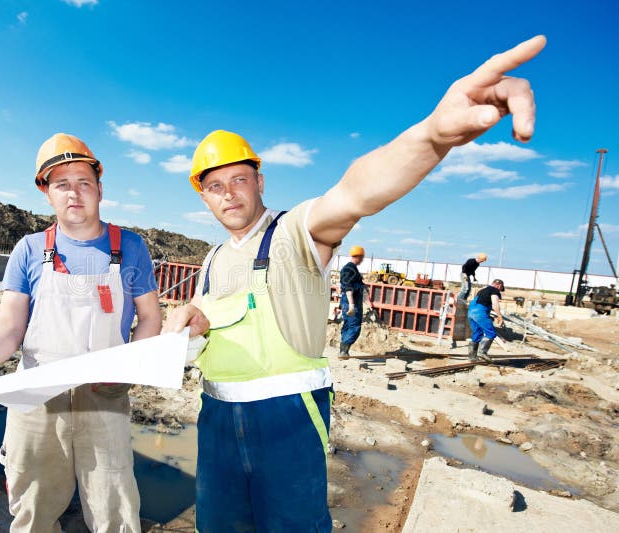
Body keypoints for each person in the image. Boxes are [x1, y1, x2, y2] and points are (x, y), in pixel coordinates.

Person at [163, 36, 545, 532]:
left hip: (286, 427)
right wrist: (192, 320)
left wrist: (432, 135)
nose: (228, 193)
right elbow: (207, 325)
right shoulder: (212, 260)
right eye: (214, 186)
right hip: (215, 426)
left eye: (238, 179)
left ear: (260, 181)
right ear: (204, 198)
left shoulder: (294, 233)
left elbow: (355, 192)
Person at [0, 133, 161, 533]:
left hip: (103, 396)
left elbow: (150, 318)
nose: (74, 194)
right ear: (47, 193)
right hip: (35, 398)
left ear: (100, 189)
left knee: (115, 513)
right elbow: (10, 326)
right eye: (61, 184)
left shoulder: (130, 247)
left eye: (83, 182)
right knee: (32, 512)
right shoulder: (30, 249)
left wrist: (127, 370)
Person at [467, 278, 505, 362]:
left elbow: (480, 301)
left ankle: (472, 357)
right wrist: (500, 317)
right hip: (480, 312)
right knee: (491, 333)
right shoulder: (495, 290)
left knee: (477, 333)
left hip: (471, 312)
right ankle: (482, 352)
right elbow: (495, 304)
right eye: (501, 288)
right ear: (499, 285)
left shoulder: (482, 290)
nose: (500, 290)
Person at [339, 245, 366, 359]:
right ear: (359, 256)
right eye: (362, 257)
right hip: (351, 302)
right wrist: (351, 305)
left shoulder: (351, 268)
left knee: (348, 324)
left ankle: (343, 351)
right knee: (354, 326)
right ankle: (344, 351)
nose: (362, 259)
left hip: (349, 301)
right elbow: (348, 287)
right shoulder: (350, 269)